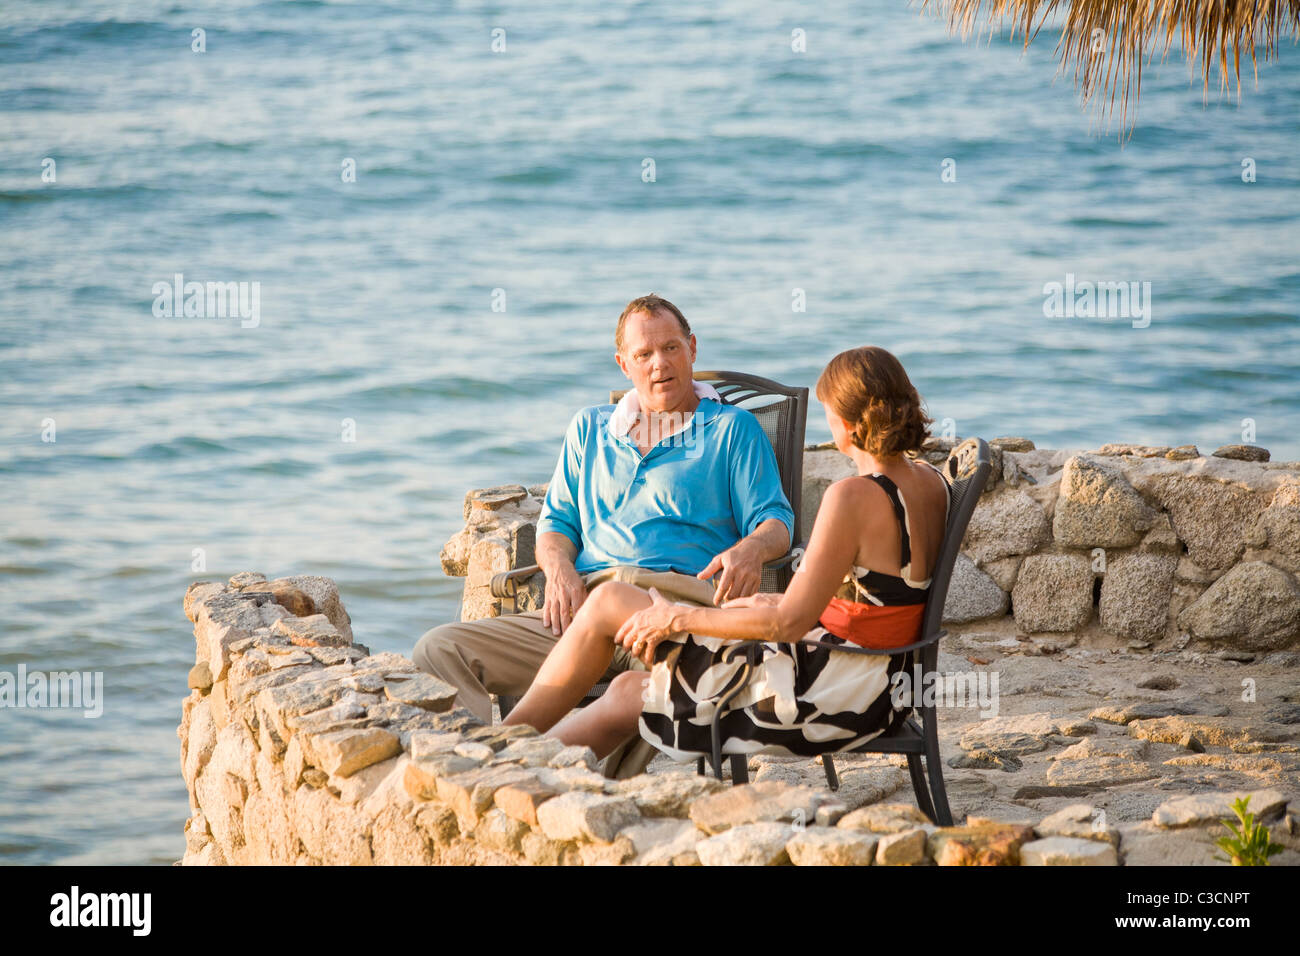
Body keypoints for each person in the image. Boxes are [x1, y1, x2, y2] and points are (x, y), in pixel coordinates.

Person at [500, 345, 951, 763]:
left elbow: (789, 623)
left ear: (849, 425)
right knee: (625, 685)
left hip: (837, 693)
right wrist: (765, 602)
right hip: (886, 682)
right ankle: (516, 759)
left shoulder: (852, 497)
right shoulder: (933, 483)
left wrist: (677, 616)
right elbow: (874, 602)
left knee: (619, 657)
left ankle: (504, 760)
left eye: (830, 414)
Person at [413, 294, 796, 729]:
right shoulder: (589, 428)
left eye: (671, 348)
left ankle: (509, 748)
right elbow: (556, 524)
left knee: (614, 598)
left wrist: (750, 549)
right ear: (623, 364)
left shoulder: (732, 429)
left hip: (671, 614)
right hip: (582, 611)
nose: (659, 364)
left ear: (692, 348)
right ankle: (472, 765)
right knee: (438, 649)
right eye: (644, 354)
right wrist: (558, 571)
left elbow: (776, 522)